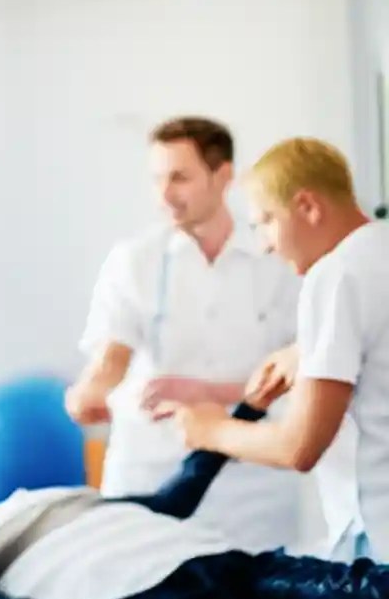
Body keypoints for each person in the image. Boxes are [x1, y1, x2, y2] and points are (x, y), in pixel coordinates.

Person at [0, 393, 388, 599]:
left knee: (361, 590)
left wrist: (244, 412)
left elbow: (168, 504)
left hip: (216, 563)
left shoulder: (35, 501)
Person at [65, 115, 302, 552]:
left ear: (223, 176)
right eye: (157, 179)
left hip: (252, 482)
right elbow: (112, 352)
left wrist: (203, 391)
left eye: (180, 178)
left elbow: (301, 369)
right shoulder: (134, 260)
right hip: (148, 468)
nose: (164, 196)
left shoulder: (278, 262)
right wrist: (91, 388)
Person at [164, 137, 389, 562]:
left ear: (307, 206)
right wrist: (307, 350)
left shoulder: (333, 276)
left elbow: (298, 448)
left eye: (266, 220)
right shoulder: (379, 250)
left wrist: (210, 430)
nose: (265, 244)